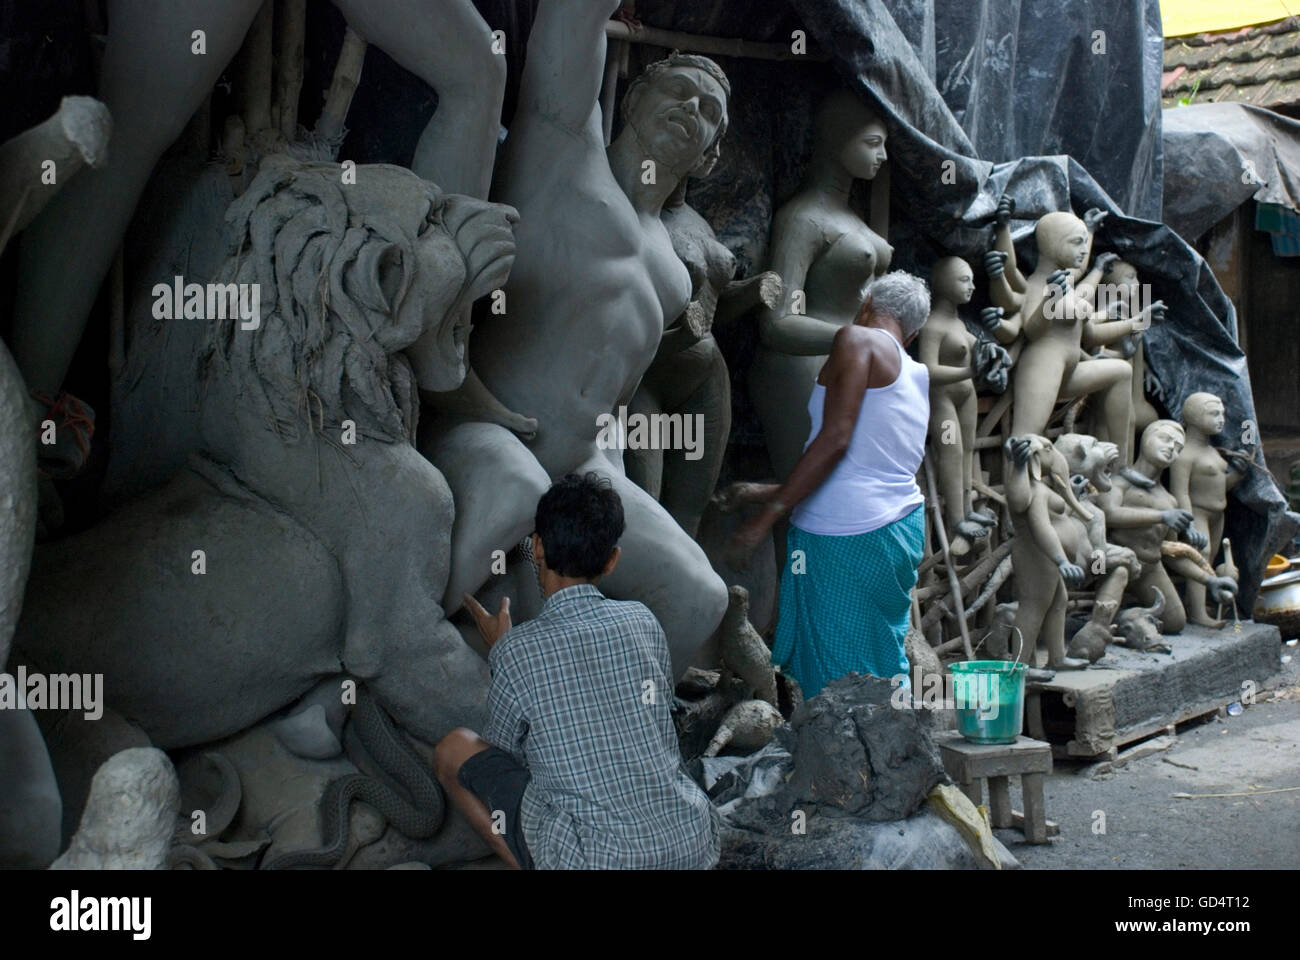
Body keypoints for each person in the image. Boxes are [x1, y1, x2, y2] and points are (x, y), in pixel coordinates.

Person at [434, 473, 721, 870]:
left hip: (598, 859)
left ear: (536, 547)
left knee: (454, 749)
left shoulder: (516, 651)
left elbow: (504, 750)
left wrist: (503, 650)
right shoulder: (643, 620)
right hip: (689, 842)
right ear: (611, 560)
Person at [728, 272, 932, 698]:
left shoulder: (857, 339)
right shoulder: (917, 374)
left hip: (847, 535)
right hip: (899, 529)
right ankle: (892, 754)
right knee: (878, 658)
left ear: (867, 303)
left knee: (842, 677)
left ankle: (858, 760)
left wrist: (765, 518)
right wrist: (765, 490)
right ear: (911, 335)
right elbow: (867, 464)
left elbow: (836, 440)